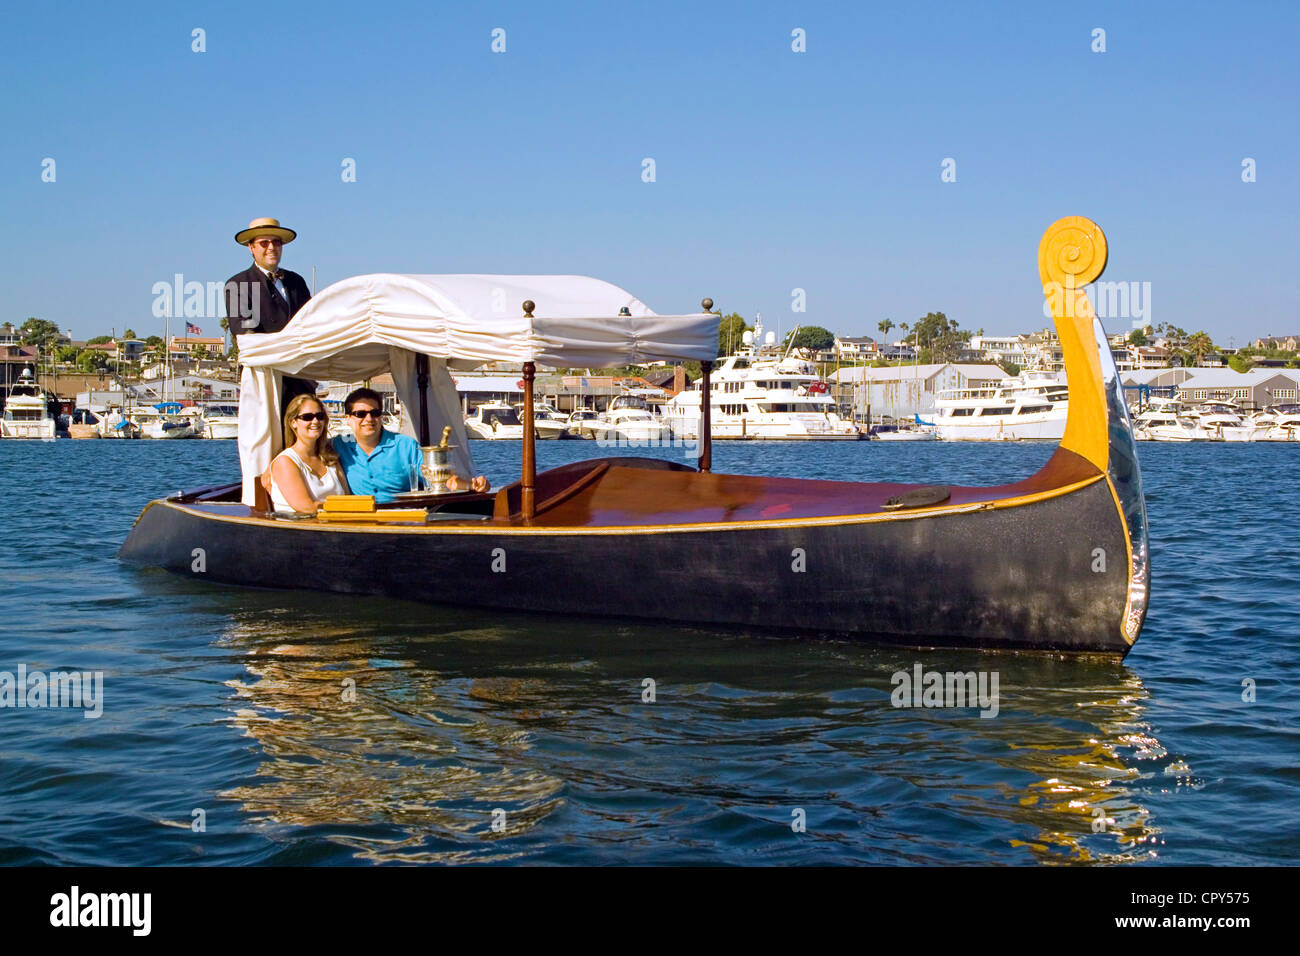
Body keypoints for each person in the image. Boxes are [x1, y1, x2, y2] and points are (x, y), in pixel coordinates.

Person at [333, 387, 489, 502]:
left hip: (402, 519)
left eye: (374, 413)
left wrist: (472, 485)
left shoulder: (406, 446)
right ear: (348, 418)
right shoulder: (337, 445)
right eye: (360, 414)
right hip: (359, 521)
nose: (369, 419)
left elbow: (440, 479)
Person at [224, 217, 316, 411]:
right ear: (251, 248)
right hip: (263, 377)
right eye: (264, 243)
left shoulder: (296, 281)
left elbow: (311, 323)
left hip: (300, 378)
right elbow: (245, 334)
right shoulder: (238, 284)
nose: (271, 247)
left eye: (276, 242)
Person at [269, 394, 349, 514]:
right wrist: (348, 508)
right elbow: (306, 507)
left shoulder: (330, 458)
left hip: (336, 526)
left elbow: (347, 498)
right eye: (307, 417)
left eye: (319, 416)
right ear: (293, 423)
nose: (315, 421)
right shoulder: (285, 462)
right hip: (299, 529)